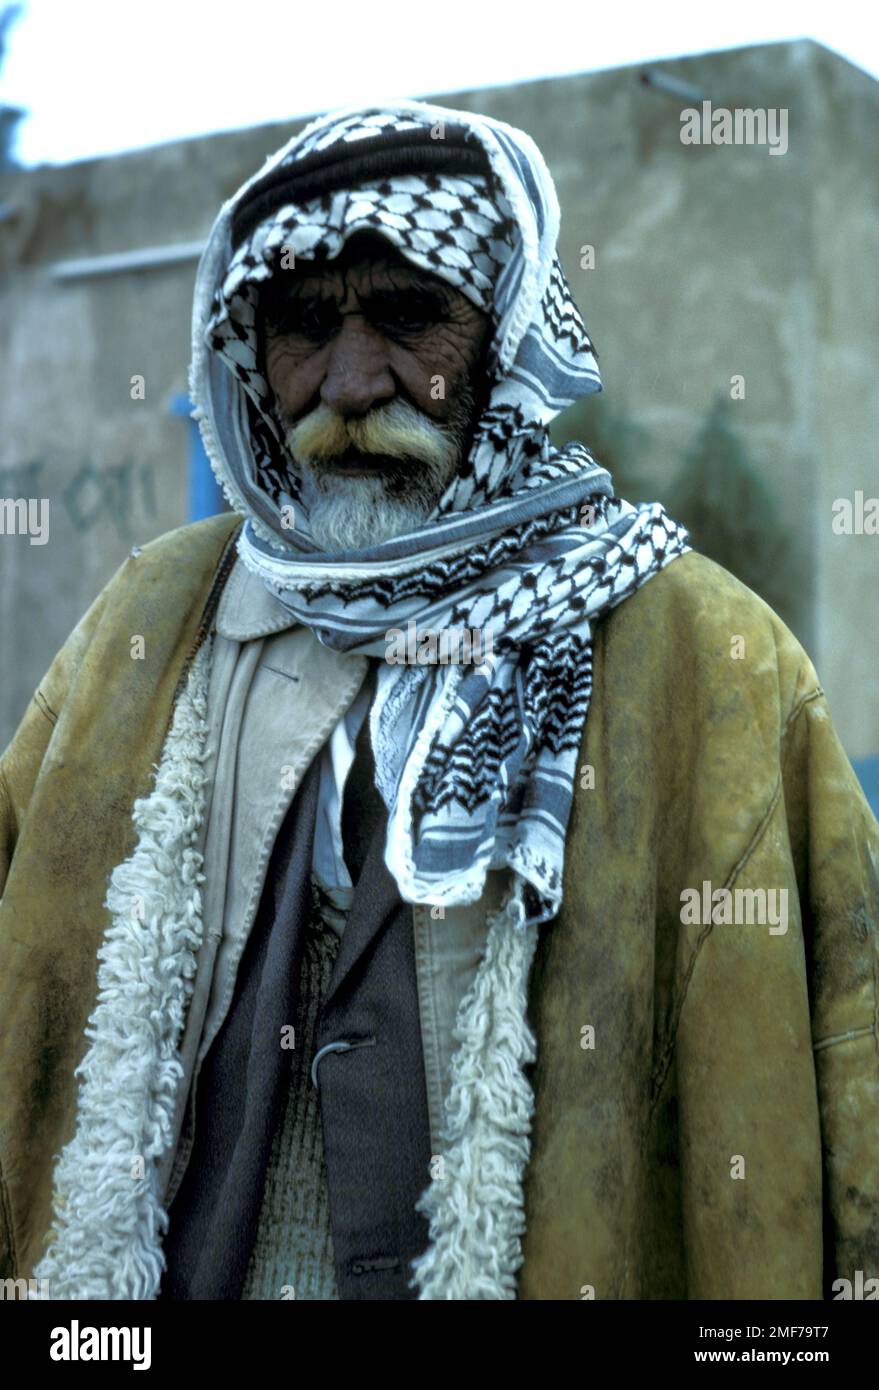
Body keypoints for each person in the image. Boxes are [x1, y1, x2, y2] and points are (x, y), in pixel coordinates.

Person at [1, 100, 876, 1302]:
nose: (353, 383)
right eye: (305, 327)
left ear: (507, 330)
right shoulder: (156, 620)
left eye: (410, 316)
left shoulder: (701, 651)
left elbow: (849, 1061)